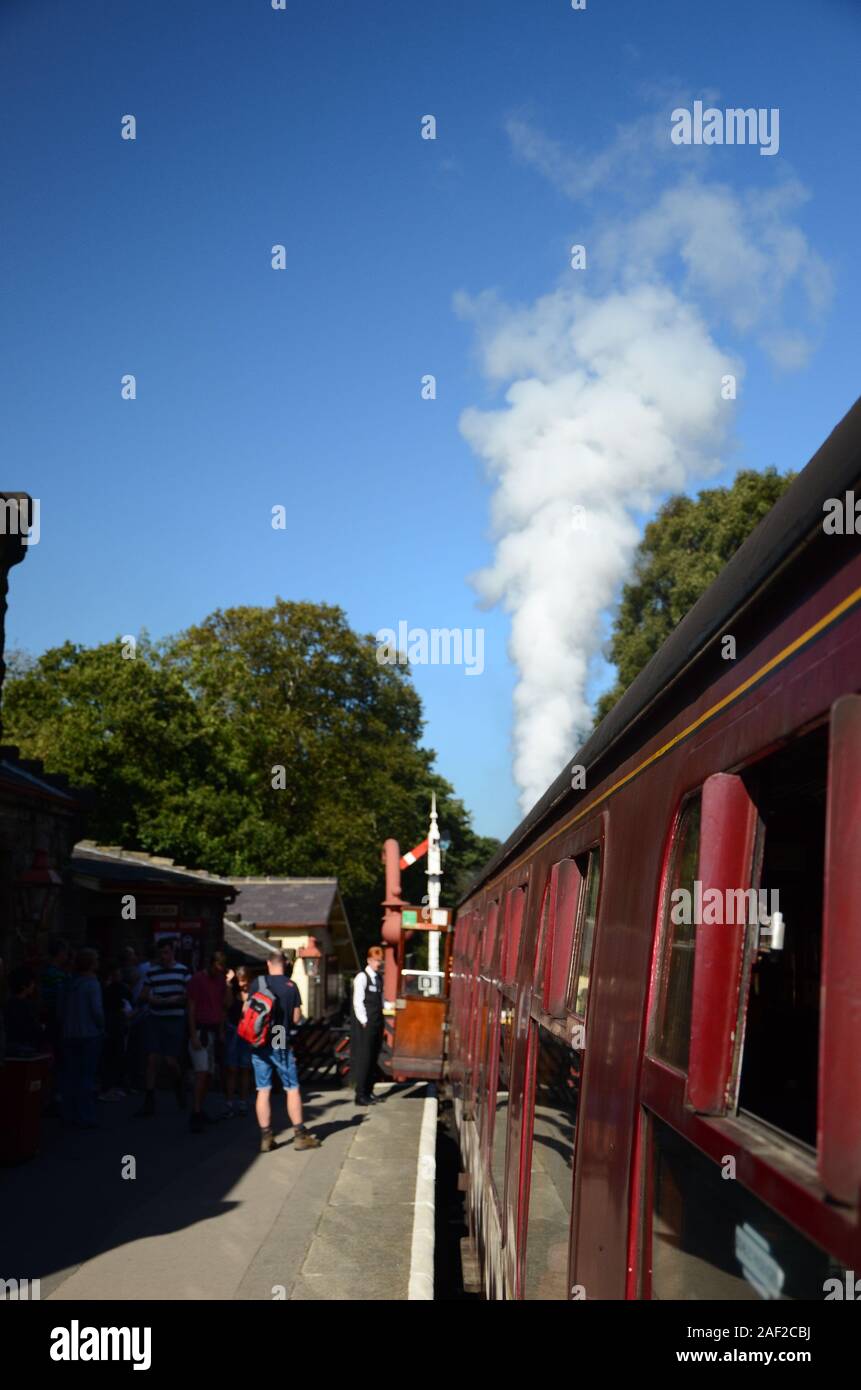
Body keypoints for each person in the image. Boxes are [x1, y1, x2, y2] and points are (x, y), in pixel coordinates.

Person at [249, 950, 320, 1153]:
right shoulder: (291, 986)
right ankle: (299, 1134)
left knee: (263, 1089)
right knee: (292, 1087)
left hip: (259, 1037)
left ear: (268, 963)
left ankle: (266, 1136)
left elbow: (248, 1010)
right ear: (285, 965)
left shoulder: (258, 983)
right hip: (279, 1033)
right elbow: (296, 1018)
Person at [136, 937, 190, 1118]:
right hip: (156, 1018)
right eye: (161, 953)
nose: (163, 956)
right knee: (152, 1058)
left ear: (172, 952)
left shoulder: (182, 971)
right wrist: (152, 1000)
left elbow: (188, 996)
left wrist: (174, 1000)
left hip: (174, 1019)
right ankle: (149, 1099)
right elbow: (144, 994)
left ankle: (178, 1083)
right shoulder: (152, 972)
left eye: (166, 952)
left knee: (170, 1060)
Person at [60, 948, 105, 1128]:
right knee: (86, 1075)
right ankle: (85, 1115)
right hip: (89, 1033)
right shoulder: (92, 984)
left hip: (69, 1033)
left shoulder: (68, 983)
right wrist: (102, 1026)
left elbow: (59, 1011)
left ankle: (69, 1113)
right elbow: (96, 1010)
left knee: (71, 1074)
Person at [186, 951, 229, 1132]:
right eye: (217, 966)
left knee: (209, 1075)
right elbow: (191, 1007)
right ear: (211, 964)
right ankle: (195, 1113)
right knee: (202, 1072)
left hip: (212, 1030)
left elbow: (224, 1005)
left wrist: (220, 1031)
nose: (219, 970)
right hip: (200, 1030)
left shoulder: (220, 981)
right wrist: (193, 1035)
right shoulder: (197, 980)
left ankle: (199, 1108)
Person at [350, 945, 385, 1106]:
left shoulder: (378, 978)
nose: (379, 964)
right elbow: (358, 1001)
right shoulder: (362, 977)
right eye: (377, 961)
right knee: (364, 1058)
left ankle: (369, 1091)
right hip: (367, 1023)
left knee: (373, 1057)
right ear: (369, 960)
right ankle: (360, 1094)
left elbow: (380, 999)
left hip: (378, 1021)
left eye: (380, 961)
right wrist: (364, 1020)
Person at [99, 962, 132, 1100]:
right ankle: (111, 1086)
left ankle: (114, 1085)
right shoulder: (115, 989)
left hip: (115, 1023)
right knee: (114, 1054)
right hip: (115, 1023)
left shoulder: (110, 989)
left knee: (114, 1055)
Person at [224, 965, 254, 1116]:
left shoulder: (254, 994)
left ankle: (243, 1101)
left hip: (247, 1032)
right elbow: (227, 1006)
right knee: (231, 1068)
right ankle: (229, 1102)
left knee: (245, 1068)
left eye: (245, 981)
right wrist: (229, 984)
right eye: (240, 981)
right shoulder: (233, 991)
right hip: (232, 1030)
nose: (243, 984)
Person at [4, 966, 44, 1054]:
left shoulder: (7, 1005)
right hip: (26, 1048)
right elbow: (33, 1029)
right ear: (24, 986)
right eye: (32, 983)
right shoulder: (27, 1006)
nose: (34, 985)